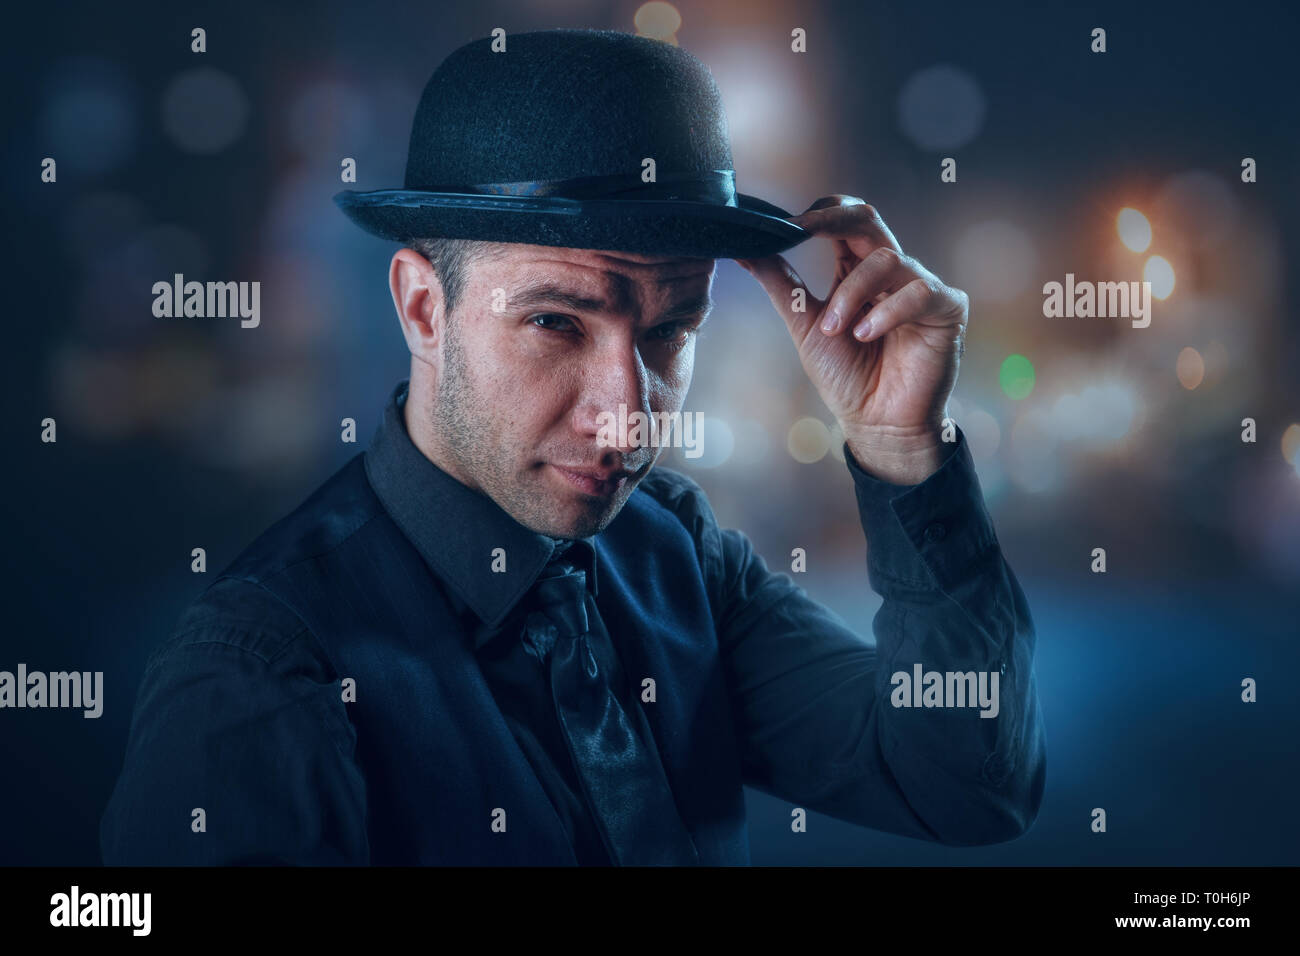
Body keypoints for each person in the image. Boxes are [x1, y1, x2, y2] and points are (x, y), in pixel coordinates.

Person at [101, 28, 1045, 866]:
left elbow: (964, 783)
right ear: (425, 308)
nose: (625, 413)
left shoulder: (675, 558)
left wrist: (903, 448)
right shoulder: (264, 671)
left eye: (671, 331)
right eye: (557, 321)